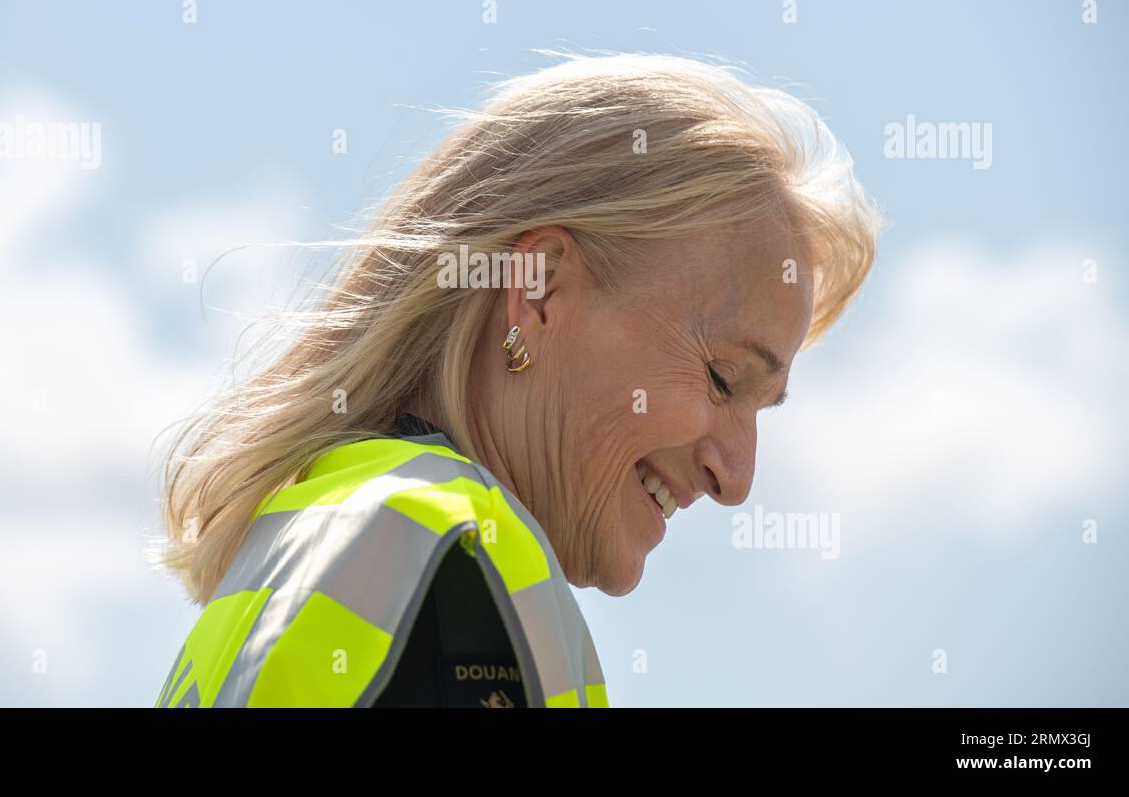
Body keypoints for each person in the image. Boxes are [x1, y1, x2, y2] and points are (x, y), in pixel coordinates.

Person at [152, 52, 884, 707]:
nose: (738, 479)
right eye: (724, 379)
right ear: (537, 293)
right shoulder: (452, 563)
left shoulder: (304, 546)